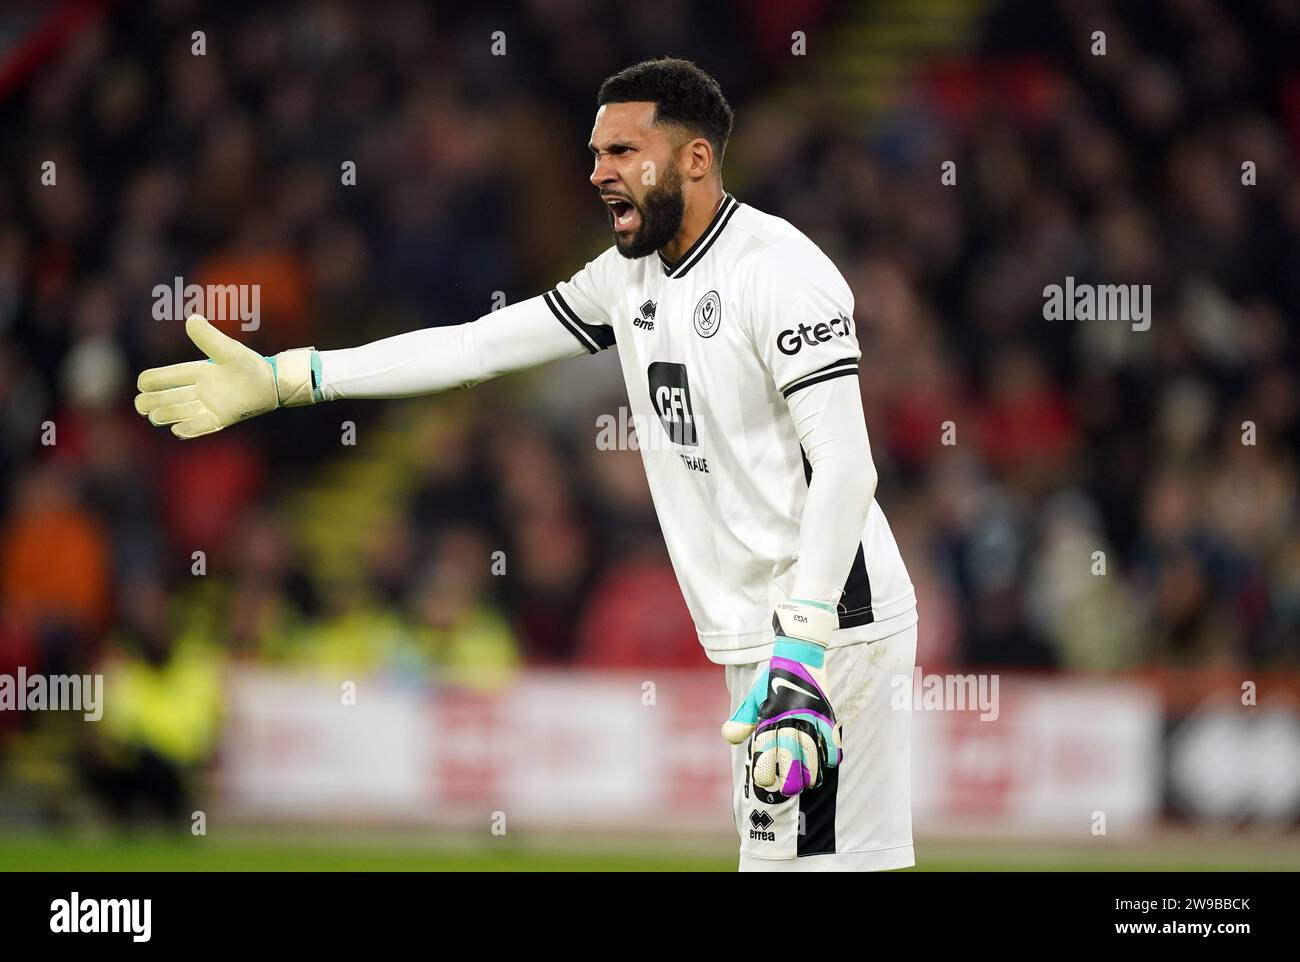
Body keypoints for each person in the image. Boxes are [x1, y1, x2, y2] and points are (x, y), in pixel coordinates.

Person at [134, 58, 918, 872]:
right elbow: (476, 346)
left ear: (694, 160)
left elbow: (848, 469)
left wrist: (805, 648)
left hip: (831, 626)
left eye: (621, 151)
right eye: (593, 153)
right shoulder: (628, 278)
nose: (597, 172)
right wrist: (294, 377)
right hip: (765, 639)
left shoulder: (778, 273)